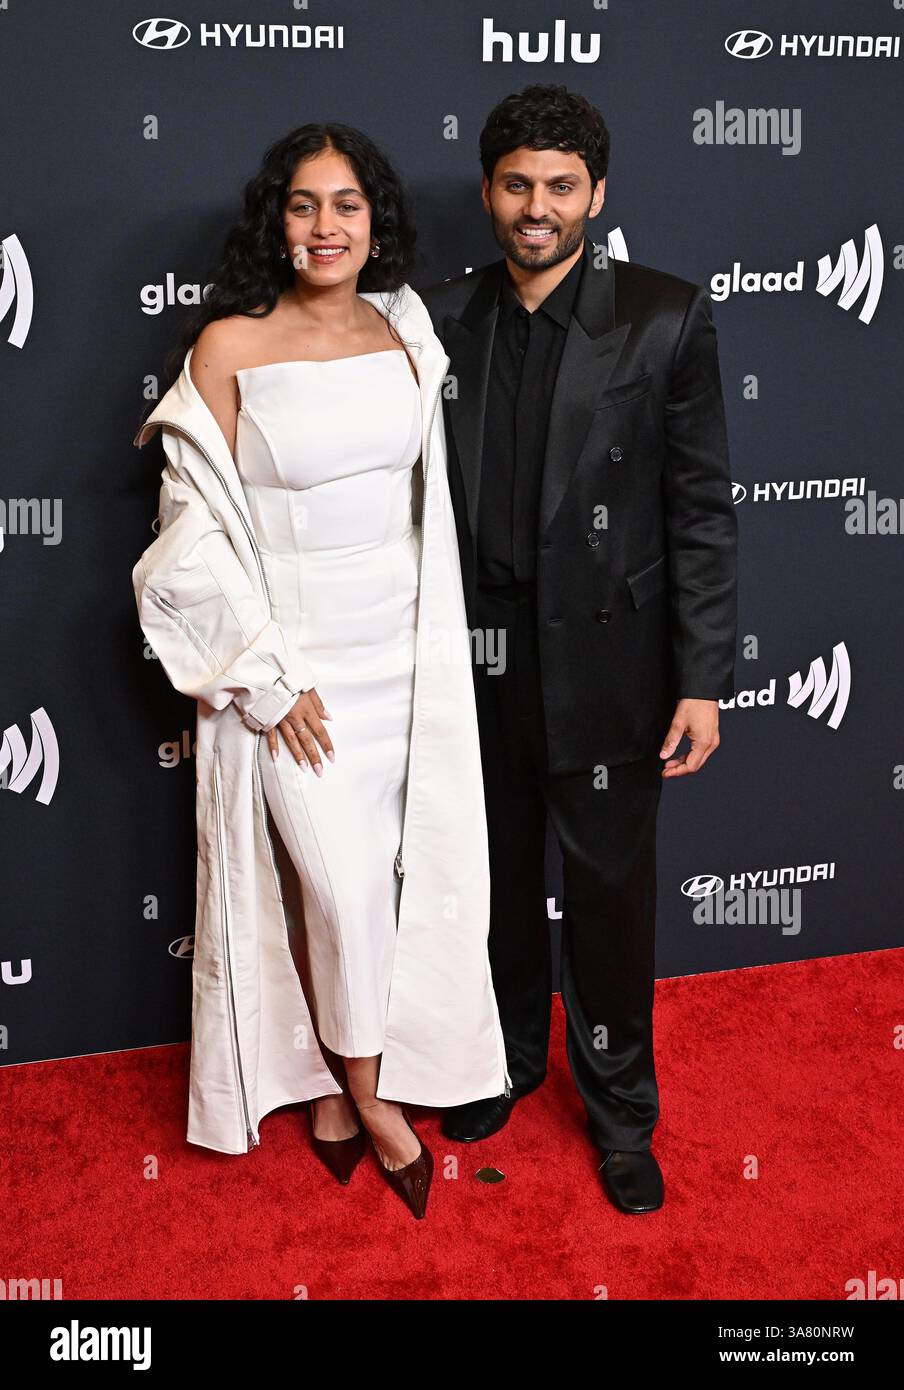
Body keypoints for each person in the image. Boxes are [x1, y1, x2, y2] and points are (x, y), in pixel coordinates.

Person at [131, 123, 510, 1220]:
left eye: (347, 204)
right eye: (305, 205)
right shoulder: (229, 347)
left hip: (406, 656)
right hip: (296, 672)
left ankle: (341, 1087)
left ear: (374, 221)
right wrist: (263, 677)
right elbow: (190, 532)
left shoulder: (405, 330)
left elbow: (421, 503)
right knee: (333, 887)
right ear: (276, 220)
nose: (327, 225)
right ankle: (367, 1090)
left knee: (390, 883)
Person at [420, 84, 738, 1214]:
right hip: (475, 657)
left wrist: (704, 677)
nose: (536, 207)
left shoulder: (663, 314)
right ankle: (503, 1061)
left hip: (610, 664)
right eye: (517, 184)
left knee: (606, 898)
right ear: (489, 191)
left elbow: (701, 508)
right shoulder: (437, 316)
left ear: (596, 195)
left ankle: (619, 1115)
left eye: (560, 186)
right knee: (494, 880)